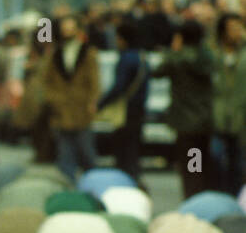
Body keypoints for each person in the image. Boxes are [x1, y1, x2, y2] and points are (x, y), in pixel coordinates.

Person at [152, 19, 215, 198]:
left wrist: (173, 49)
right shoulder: (205, 56)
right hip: (205, 117)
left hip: (186, 121)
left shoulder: (177, 58)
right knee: (202, 161)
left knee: (191, 164)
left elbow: (157, 71)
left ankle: (193, 195)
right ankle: (202, 193)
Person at [42, 15, 100, 182]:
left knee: (87, 152)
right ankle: (68, 185)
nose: (67, 32)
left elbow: (95, 81)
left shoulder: (87, 53)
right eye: (64, 29)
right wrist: (53, 100)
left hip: (82, 110)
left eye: (70, 28)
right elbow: (47, 82)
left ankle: (92, 184)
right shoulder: (55, 54)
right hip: (61, 111)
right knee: (65, 154)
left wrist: (92, 101)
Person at [96, 20, 148, 182]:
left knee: (123, 151)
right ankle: (135, 180)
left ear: (123, 39)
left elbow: (119, 86)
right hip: (139, 109)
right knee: (133, 150)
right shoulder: (142, 57)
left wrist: (101, 103)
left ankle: (125, 182)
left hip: (125, 110)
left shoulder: (125, 59)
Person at [210, 12, 246, 195]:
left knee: (237, 164)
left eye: (239, 28)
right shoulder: (213, 55)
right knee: (211, 158)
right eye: (232, 28)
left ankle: (234, 198)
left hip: (240, 120)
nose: (237, 32)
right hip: (216, 118)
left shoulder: (244, 56)